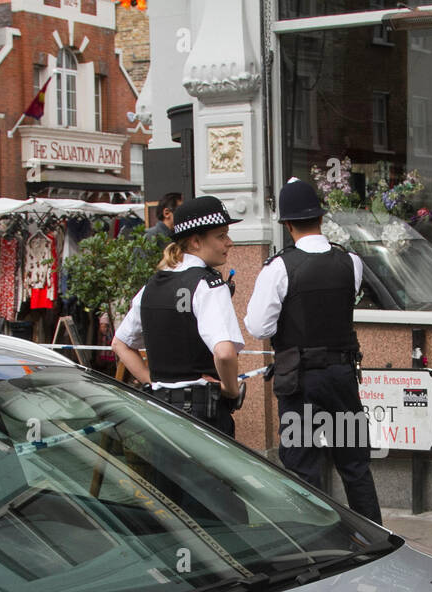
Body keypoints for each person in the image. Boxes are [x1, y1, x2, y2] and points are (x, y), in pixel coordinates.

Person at [245, 178, 382, 524]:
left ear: (287, 224)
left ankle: (319, 542)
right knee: (354, 464)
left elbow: (259, 328)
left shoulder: (278, 267)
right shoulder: (349, 261)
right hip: (342, 377)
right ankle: (375, 534)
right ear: (320, 219)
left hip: (300, 381)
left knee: (302, 466)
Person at [112, 195, 243, 436]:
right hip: (202, 415)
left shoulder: (151, 286)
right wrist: (231, 390)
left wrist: (151, 380)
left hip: (160, 413)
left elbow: (119, 343)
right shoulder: (208, 285)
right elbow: (224, 353)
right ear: (195, 241)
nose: (229, 242)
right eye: (221, 236)